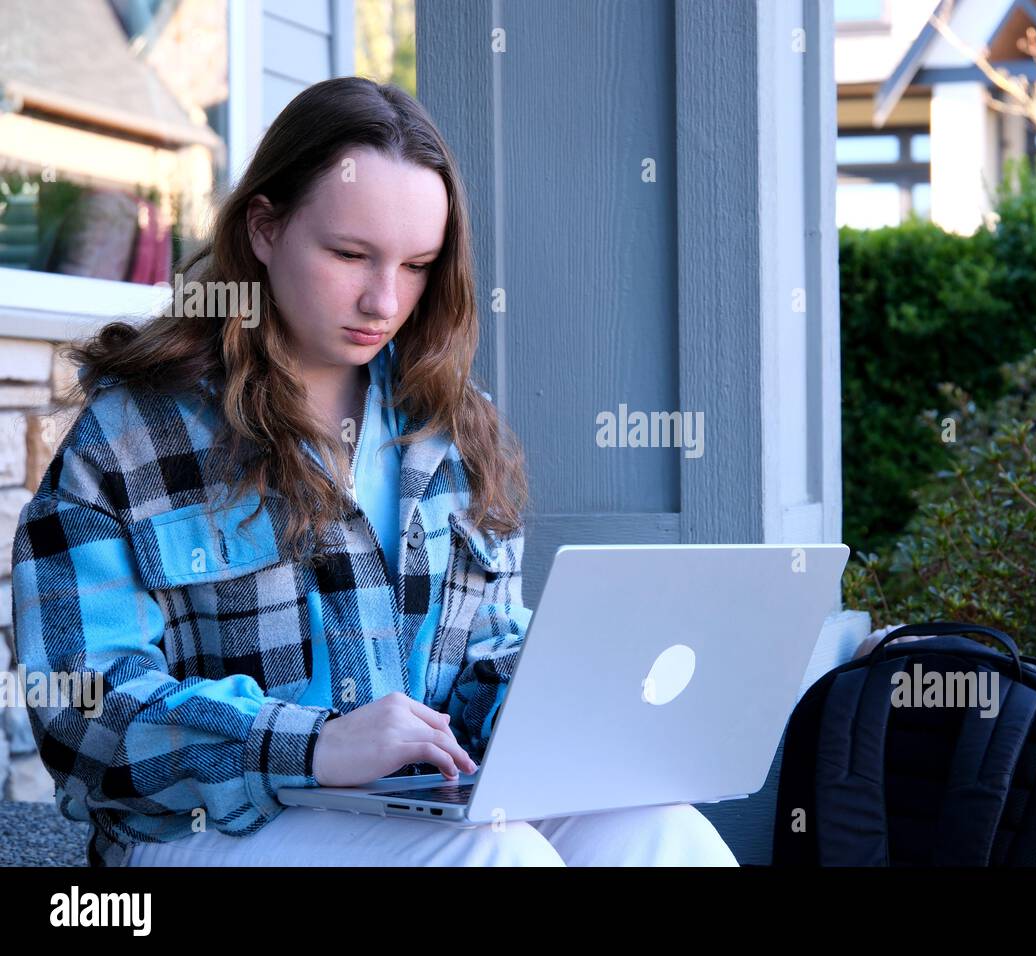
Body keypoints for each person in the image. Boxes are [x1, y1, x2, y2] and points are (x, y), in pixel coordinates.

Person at [11, 76, 737, 868]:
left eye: (418, 264)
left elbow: (482, 655)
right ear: (264, 227)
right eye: (350, 254)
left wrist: (555, 709)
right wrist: (313, 744)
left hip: (414, 803)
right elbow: (81, 710)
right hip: (208, 827)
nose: (384, 300)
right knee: (500, 862)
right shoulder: (131, 433)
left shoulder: (453, 423)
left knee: (667, 833)